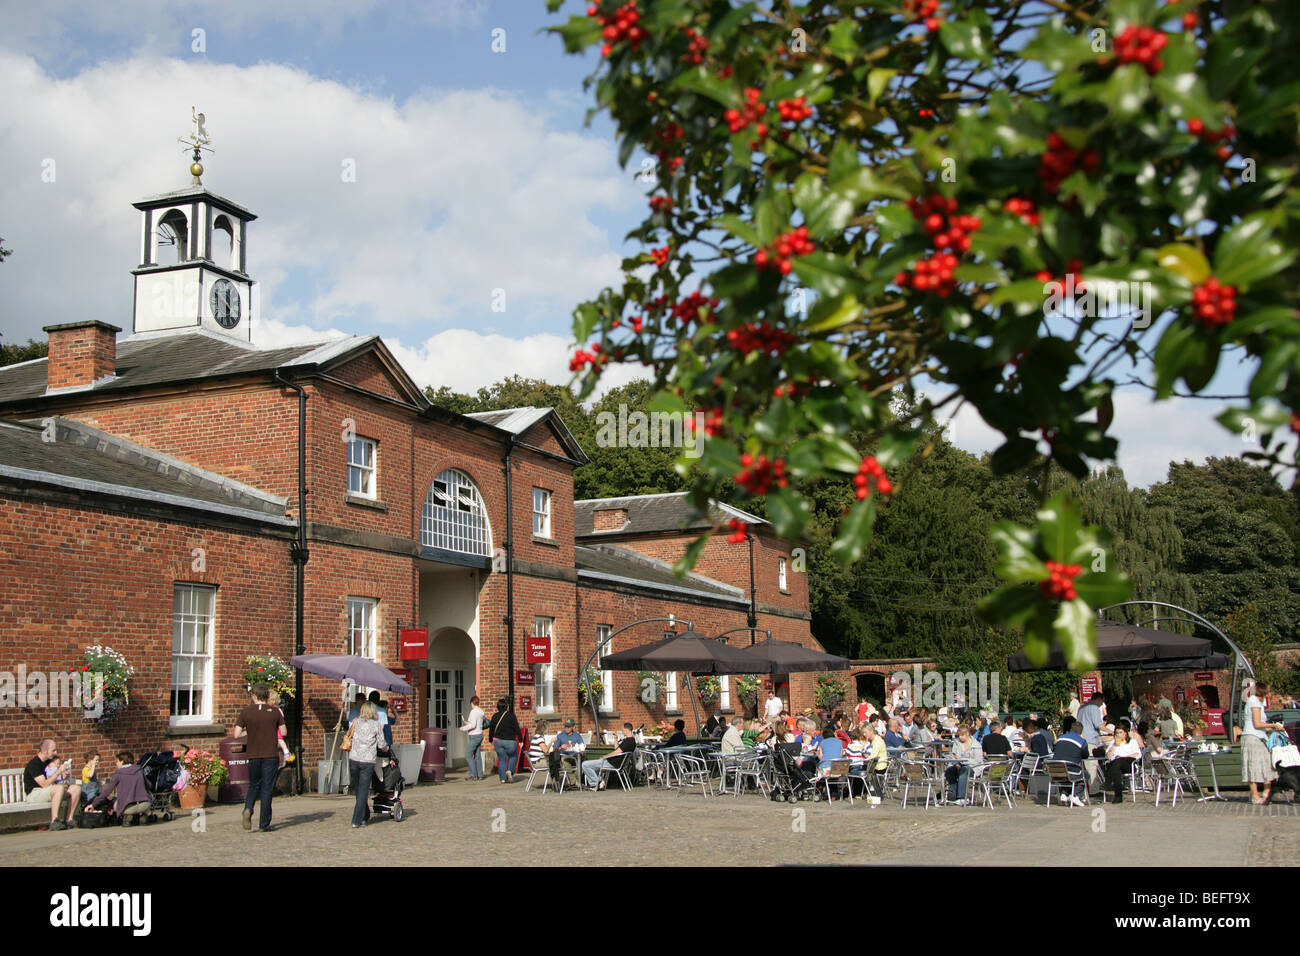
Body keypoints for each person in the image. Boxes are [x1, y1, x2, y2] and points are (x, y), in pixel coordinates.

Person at [234, 682, 287, 832]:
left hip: (253, 754)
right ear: (267, 696)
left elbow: (236, 734)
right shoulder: (275, 712)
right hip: (270, 754)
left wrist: (249, 732)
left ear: (254, 697)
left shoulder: (246, 712)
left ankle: (248, 808)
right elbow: (283, 732)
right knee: (267, 789)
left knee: (253, 785)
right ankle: (264, 823)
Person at [1242, 681, 1284, 805]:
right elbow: (1257, 723)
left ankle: (1266, 793)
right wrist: (1273, 725)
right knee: (1253, 765)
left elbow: (1260, 725)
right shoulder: (1254, 702)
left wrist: (1273, 728)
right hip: (1252, 737)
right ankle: (1255, 795)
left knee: (1267, 763)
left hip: (1259, 736)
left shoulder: (1257, 702)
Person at [24, 739, 81, 831]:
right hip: (35, 793)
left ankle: (69, 819)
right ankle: (54, 821)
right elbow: (44, 784)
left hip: (52, 790)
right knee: (58, 788)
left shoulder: (50, 762)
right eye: (53, 750)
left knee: (76, 788)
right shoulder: (34, 764)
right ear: (44, 750)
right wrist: (58, 772)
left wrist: (63, 776)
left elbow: (55, 780)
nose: (56, 752)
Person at [346, 700, 386, 828]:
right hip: (367, 761)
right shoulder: (376, 725)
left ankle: (365, 814)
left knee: (359, 790)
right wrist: (386, 749)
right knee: (363, 791)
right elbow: (382, 744)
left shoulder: (356, 722)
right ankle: (356, 820)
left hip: (354, 758)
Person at [92, 751, 150, 822]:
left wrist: (93, 804)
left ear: (122, 762)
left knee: (116, 803)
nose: (116, 764)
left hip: (127, 807)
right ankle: (144, 815)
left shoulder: (118, 774)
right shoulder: (140, 770)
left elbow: (107, 791)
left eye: (117, 762)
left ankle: (126, 817)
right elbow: (148, 785)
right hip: (145, 805)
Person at [583, 722, 636, 789]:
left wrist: (606, 756)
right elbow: (617, 749)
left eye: (622, 730)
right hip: (619, 764)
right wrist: (615, 739)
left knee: (585, 764)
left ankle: (596, 783)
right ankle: (600, 782)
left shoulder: (628, 741)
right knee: (594, 766)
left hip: (613, 763)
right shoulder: (632, 741)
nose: (622, 732)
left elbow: (617, 752)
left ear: (626, 730)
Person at [1051, 720, 1090, 807]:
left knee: (1065, 774)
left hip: (1055, 770)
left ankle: (1064, 794)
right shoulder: (1082, 741)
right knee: (1085, 775)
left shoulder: (1060, 738)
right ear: (1081, 732)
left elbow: (1054, 750)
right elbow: (1085, 756)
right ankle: (1075, 795)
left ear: (1071, 729)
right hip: (1071, 770)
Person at [1102, 725, 1141, 804]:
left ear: (1125, 733)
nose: (1119, 735)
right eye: (1117, 733)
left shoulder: (1132, 742)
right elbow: (1108, 756)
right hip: (1116, 765)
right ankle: (1118, 796)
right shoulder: (1113, 743)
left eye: (1120, 732)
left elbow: (1138, 754)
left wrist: (1123, 757)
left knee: (1118, 762)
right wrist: (1114, 746)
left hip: (1128, 763)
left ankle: (1108, 783)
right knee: (1116, 768)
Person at [945, 725, 983, 805]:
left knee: (964, 770)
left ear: (968, 734)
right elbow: (953, 755)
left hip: (973, 767)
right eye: (959, 735)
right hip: (958, 764)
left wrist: (963, 761)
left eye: (962, 735)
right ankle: (957, 795)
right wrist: (956, 763)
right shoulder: (957, 742)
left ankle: (962, 797)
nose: (960, 737)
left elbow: (977, 761)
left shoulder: (976, 745)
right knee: (949, 771)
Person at [488, 698, 521, 783]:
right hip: (510, 741)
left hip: (498, 741)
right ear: (506, 707)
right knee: (513, 756)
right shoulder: (511, 715)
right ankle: (510, 770)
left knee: (501, 759)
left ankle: (502, 779)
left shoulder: (495, 716)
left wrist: (490, 739)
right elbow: (517, 728)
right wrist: (520, 740)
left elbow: (491, 729)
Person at [460, 695, 486, 780]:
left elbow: (473, 725)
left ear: (472, 703)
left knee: (468, 755)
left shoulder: (474, 711)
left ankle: (473, 775)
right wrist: (466, 722)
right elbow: (475, 724)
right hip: (479, 734)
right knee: (477, 755)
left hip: (474, 735)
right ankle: (480, 775)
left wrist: (463, 728)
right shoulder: (481, 711)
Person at [267, 690, 295, 764]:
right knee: (280, 740)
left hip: (276, 728)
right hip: (273, 728)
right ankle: (286, 752)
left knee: (280, 740)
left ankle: (286, 753)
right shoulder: (273, 708)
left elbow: (281, 716)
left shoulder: (276, 709)